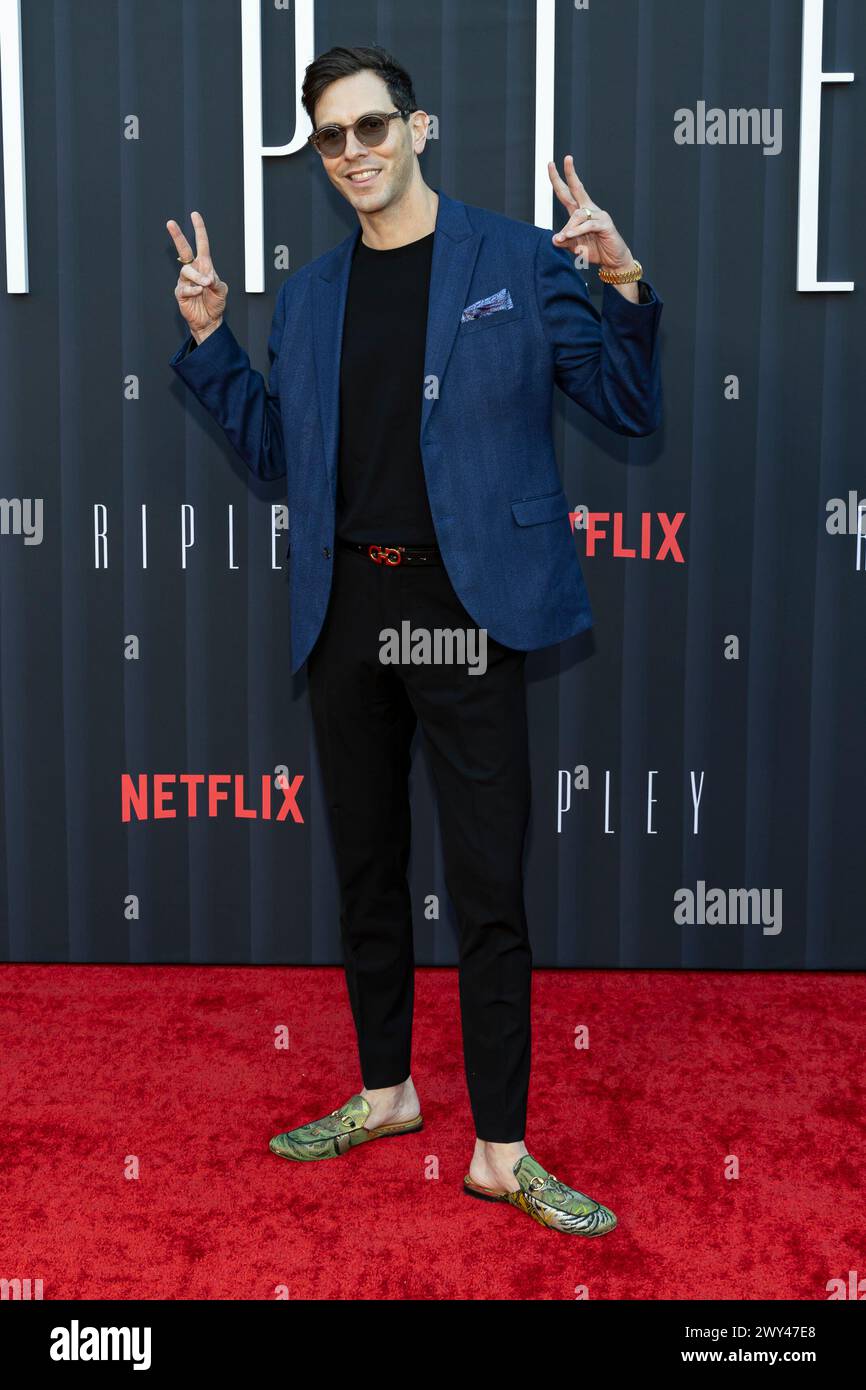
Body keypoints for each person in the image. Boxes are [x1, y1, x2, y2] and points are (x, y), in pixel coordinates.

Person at [166, 43, 662, 1236]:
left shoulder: (514, 258)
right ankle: (385, 1090)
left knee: (486, 885)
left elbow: (628, 409)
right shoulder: (314, 297)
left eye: (371, 126)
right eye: (330, 138)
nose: (353, 153)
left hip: (462, 611)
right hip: (349, 616)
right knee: (368, 869)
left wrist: (622, 283)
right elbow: (286, 456)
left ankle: (500, 1149)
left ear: (419, 126)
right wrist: (210, 341)